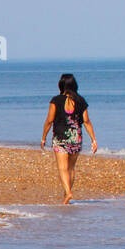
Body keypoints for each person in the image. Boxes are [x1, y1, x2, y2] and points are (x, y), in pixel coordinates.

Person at [41, 73, 98, 204]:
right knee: (71, 168)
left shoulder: (56, 100)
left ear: (61, 85)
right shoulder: (81, 101)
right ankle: (67, 195)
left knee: (62, 168)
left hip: (61, 137)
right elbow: (87, 121)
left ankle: (68, 193)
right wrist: (94, 139)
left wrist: (43, 137)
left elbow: (49, 121)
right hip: (76, 137)